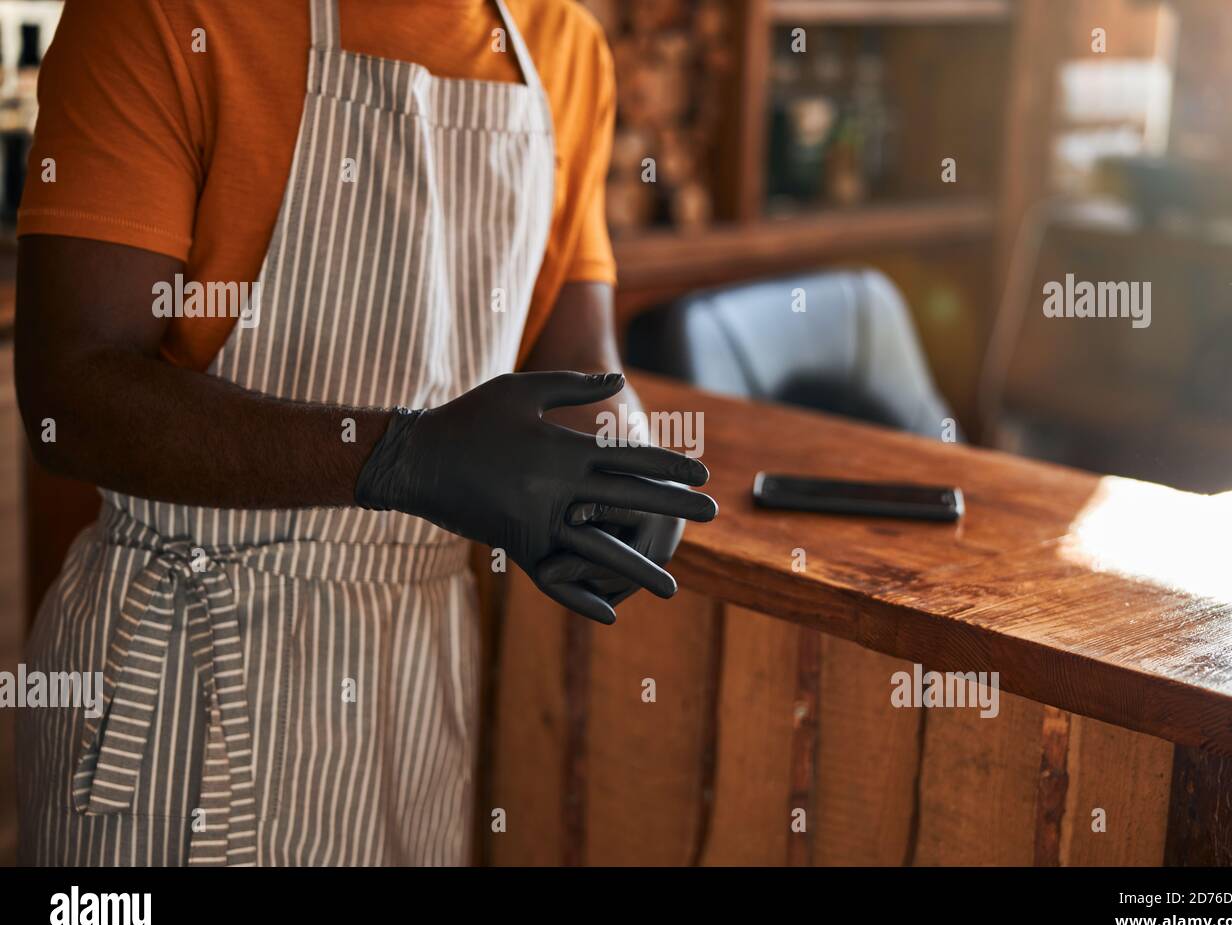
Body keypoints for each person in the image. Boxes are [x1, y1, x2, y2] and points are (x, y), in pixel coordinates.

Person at [13, 0, 716, 866]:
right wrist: (400, 456)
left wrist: (626, 457)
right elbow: (68, 392)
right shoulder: (160, 14)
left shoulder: (563, 45)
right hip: (187, 677)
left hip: (416, 679)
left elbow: (579, 360)